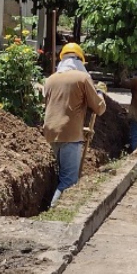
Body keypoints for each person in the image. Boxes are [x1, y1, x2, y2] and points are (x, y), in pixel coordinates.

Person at [43, 42, 106, 208]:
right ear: (79, 60)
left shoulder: (50, 79)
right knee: (69, 180)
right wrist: (100, 93)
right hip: (70, 135)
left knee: (61, 175)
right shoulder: (82, 78)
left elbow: (55, 107)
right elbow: (99, 108)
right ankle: (55, 212)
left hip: (50, 133)